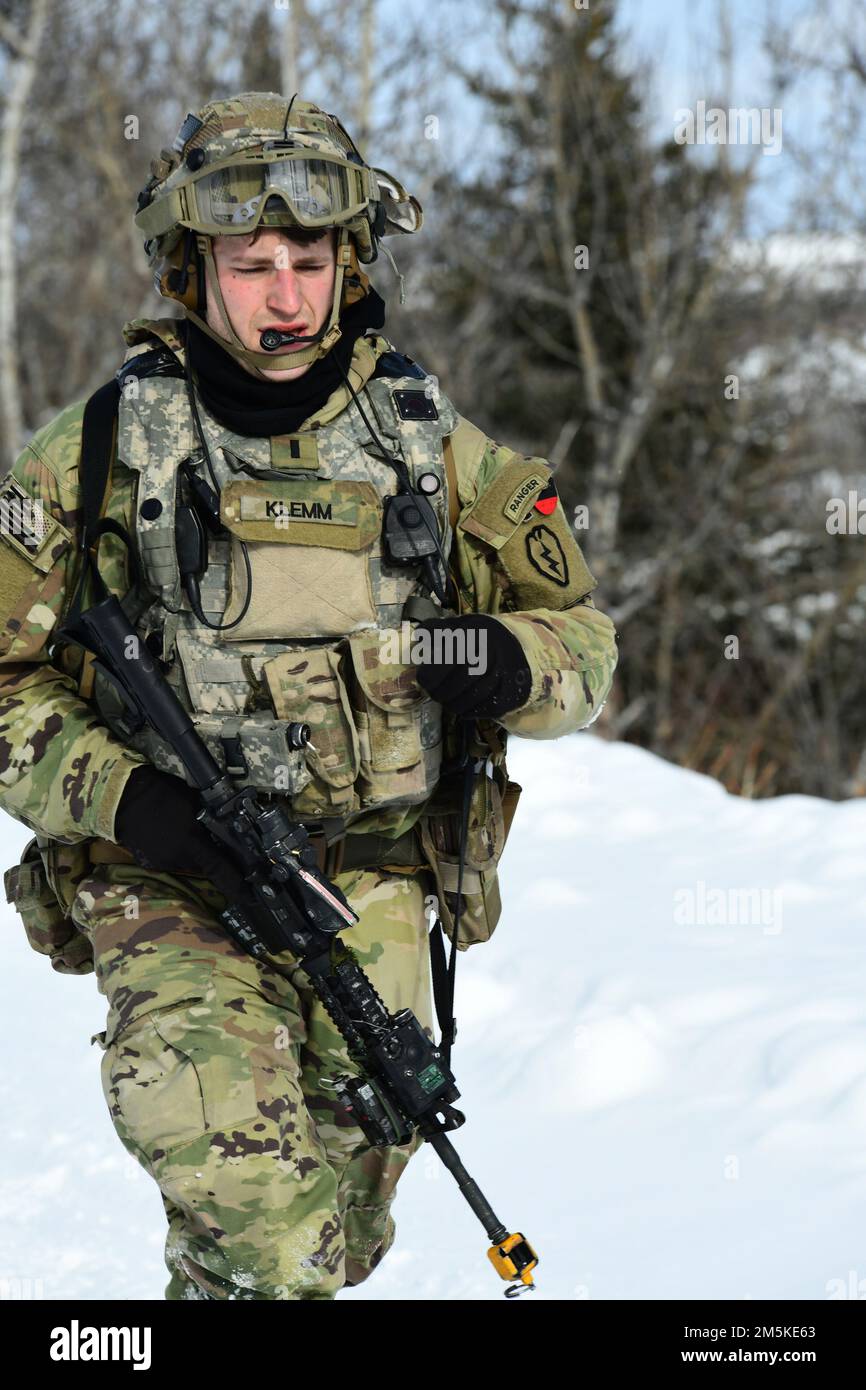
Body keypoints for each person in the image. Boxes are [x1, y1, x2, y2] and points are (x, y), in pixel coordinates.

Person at [0, 93, 619, 1300]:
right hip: (169, 876)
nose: (285, 295)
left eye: (309, 259)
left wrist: (506, 661)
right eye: (251, 264)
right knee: (259, 1215)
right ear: (195, 268)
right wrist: (136, 807)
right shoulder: (98, 453)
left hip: (372, 882)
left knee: (333, 1234)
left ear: (351, 260)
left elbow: (582, 648)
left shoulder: (428, 444)